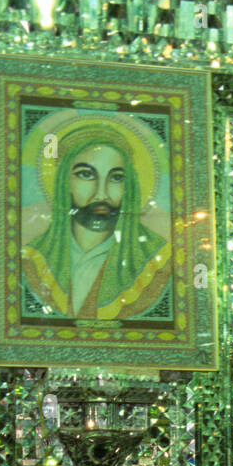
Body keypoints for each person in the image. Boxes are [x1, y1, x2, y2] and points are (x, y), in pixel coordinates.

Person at [22, 114, 171, 319]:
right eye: (86, 174)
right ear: (64, 182)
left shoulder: (157, 260)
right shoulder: (32, 258)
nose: (101, 194)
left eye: (116, 178)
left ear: (130, 187)